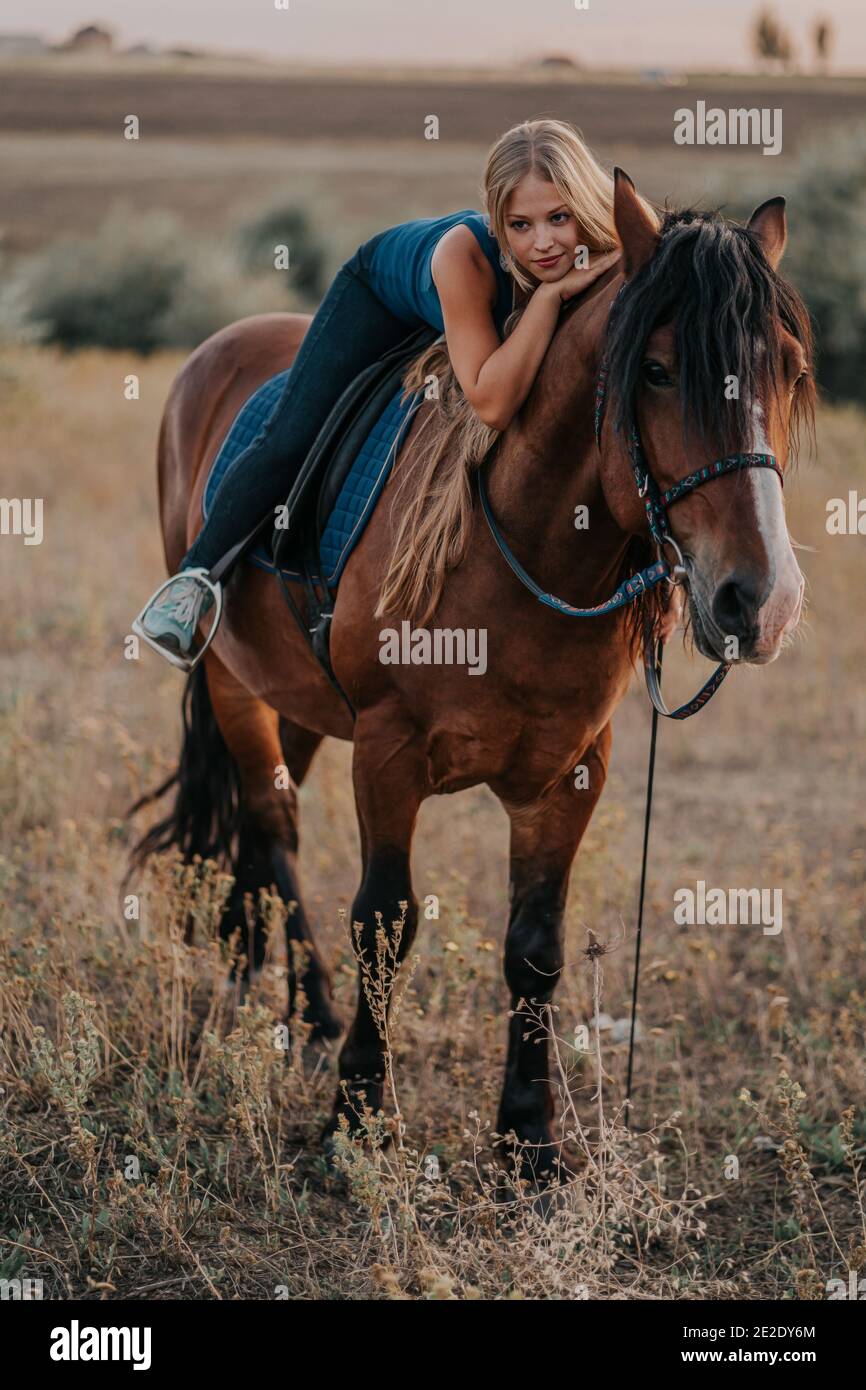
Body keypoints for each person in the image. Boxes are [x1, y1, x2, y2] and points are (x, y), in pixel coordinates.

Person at [135, 118, 639, 667]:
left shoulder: (619, 237)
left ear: (586, 206)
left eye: (559, 218)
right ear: (498, 226)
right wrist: (549, 298)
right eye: (520, 225)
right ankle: (195, 578)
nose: (542, 243)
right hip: (380, 296)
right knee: (293, 429)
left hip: (468, 307)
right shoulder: (466, 257)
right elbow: (491, 403)